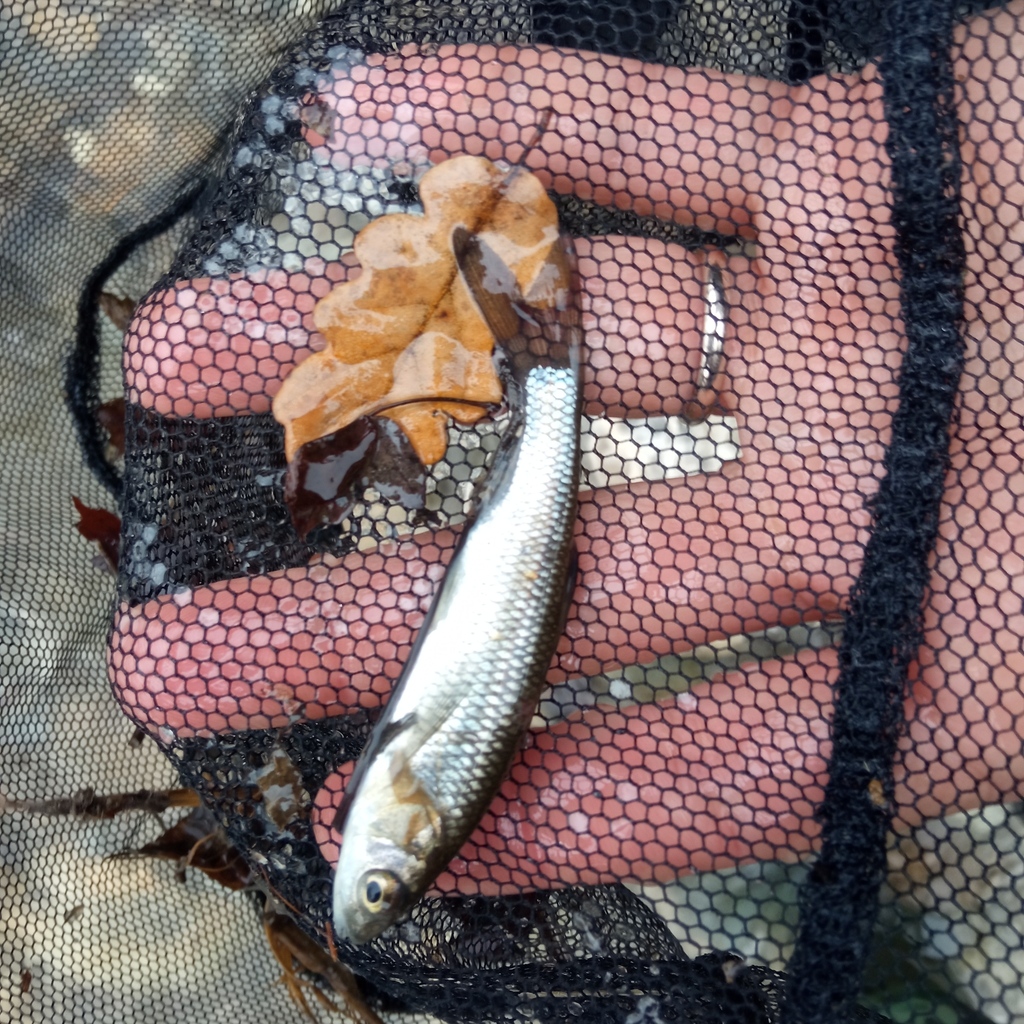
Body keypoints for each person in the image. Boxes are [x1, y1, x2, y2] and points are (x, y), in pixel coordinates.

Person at [109, 3, 1024, 899]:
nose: (367, 874)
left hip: (524, 550)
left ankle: (549, 369)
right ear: (410, 831)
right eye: (381, 882)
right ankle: (552, 370)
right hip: (525, 559)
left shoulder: (413, 805)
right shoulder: (421, 796)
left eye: (381, 887)